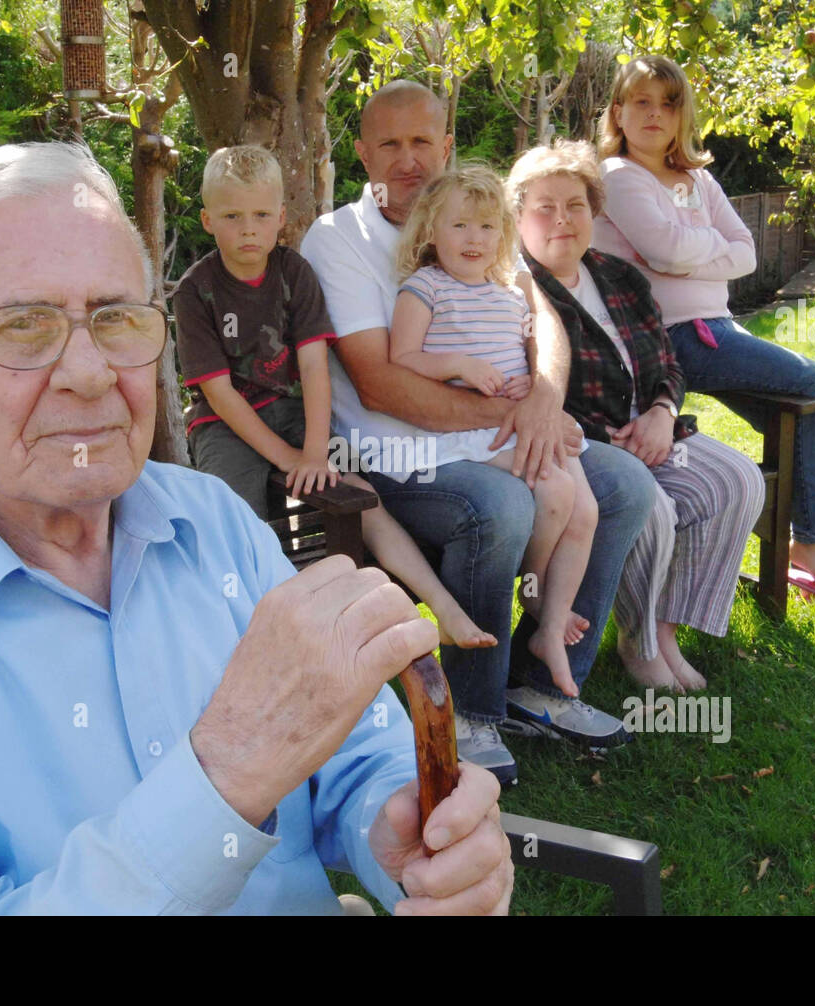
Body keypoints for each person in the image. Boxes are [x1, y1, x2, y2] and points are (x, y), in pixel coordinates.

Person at [0, 141, 512, 915]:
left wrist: (406, 833)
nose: (91, 371)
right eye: (25, 327)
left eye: (116, 319)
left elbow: (358, 754)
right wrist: (227, 774)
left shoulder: (215, 524)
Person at [300, 80, 657, 785]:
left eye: (422, 141)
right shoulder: (338, 240)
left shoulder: (473, 212)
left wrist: (547, 400)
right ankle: (471, 708)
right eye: (391, 144)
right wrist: (514, 417)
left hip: (497, 428)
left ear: (447, 145)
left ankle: (544, 683)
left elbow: (540, 318)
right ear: (365, 154)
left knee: (625, 486)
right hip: (393, 451)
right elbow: (380, 381)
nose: (409, 160)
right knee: (501, 508)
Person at [590, 54, 815, 617]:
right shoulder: (619, 176)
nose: (654, 115)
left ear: (682, 117)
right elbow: (665, 251)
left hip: (713, 330)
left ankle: (803, 544)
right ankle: (814, 544)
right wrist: (700, 249)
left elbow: (745, 253)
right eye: (641, 103)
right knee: (814, 382)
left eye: (667, 105)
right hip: (670, 337)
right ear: (618, 113)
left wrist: (686, 250)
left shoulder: (696, 178)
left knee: (795, 407)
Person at [177, 144, 493, 648]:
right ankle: (250, 636)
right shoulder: (196, 291)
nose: (249, 229)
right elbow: (217, 392)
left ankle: (443, 608)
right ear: (207, 220)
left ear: (281, 217)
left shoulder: (293, 273)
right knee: (238, 517)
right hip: (225, 422)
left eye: (261, 215)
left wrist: (316, 450)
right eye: (232, 216)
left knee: (361, 497)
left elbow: (313, 365)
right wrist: (288, 458)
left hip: (299, 412)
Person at [508, 140, 765, 692]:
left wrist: (661, 410)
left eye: (575, 205)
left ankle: (663, 631)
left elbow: (667, 361)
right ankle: (640, 641)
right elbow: (532, 389)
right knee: (650, 505)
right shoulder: (514, 290)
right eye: (544, 207)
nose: (562, 219)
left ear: (595, 212)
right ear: (517, 217)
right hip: (584, 445)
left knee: (737, 481)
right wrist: (618, 439)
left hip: (651, 429)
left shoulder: (619, 277)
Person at [388, 163, 598, 696]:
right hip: (475, 433)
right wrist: (458, 364)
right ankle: (530, 591)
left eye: (486, 227)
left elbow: (532, 350)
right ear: (430, 233)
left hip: (527, 420)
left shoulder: (508, 288)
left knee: (587, 510)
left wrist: (538, 392)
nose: (474, 239)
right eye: (459, 226)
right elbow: (404, 356)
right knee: (555, 491)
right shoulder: (425, 288)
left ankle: (549, 628)